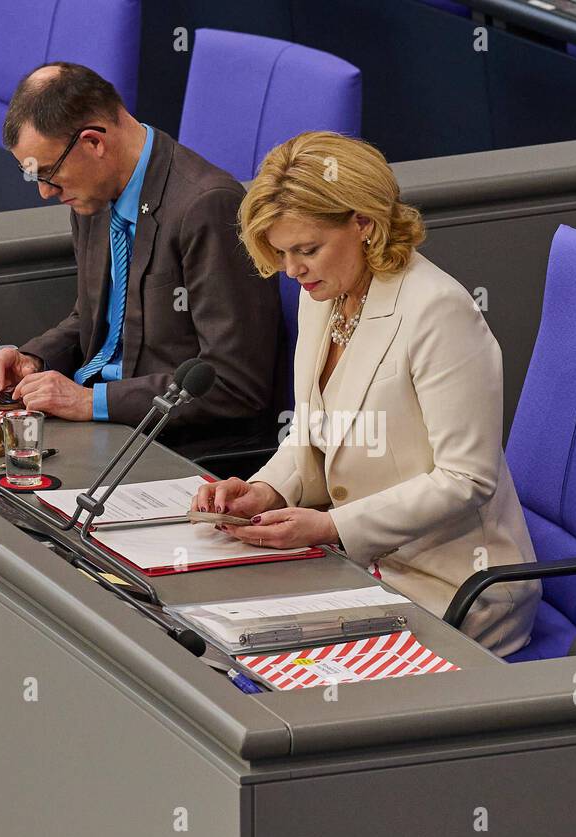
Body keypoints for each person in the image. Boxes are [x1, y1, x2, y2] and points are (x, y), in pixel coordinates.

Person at [192, 132, 538, 657]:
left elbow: (466, 478)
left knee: (255, 653)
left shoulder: (438, 312)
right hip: (359, 565)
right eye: (282, 252)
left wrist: (334, 525)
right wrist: (269, 491)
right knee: (207, 625)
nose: (292, 271)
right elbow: (313, 431)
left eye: (307, 250)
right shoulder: (324, 293)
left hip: (452, 589)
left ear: (365, 224)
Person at [0, 62, 282, 458]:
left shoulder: (207, 206)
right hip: (101, 429)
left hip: (171, 444)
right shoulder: (93, 191)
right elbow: (92, 321)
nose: (44, 192)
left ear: (93, 142)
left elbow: (234, 383)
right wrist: (34, 358)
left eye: (49, 173)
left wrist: (91, 402)